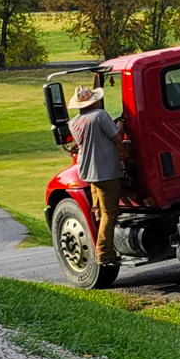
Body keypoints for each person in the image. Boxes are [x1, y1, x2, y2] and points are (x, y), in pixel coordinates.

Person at [66, 84, 123, 265]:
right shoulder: (100, 116)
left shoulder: (73, 122)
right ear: (93, 101)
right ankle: (104, 253)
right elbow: (118, 137)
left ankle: (105, 245)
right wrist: (120, 124)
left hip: (88, 172)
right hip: (105, 172)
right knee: (110, 214)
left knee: (99, 212)